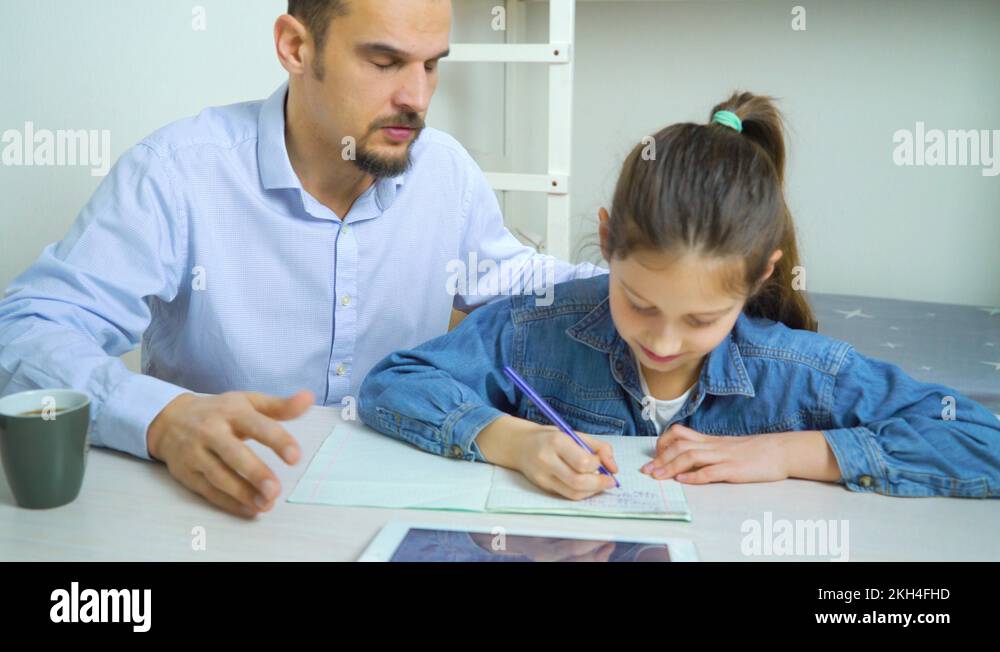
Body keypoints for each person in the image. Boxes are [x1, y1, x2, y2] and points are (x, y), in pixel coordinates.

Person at [0, 0, 602, 518]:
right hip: (212, 515)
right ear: (294, 46)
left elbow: (530, 284)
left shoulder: (446, 174)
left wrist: (670, 288)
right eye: (384, 61)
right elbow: (25, 334)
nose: (416, 98)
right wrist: (161, 419)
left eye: (431, 64)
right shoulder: (176, 174)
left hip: (402, 509)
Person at [359, 91, 1000, 500]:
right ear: (606, 242)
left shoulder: (798, 372)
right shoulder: (538, 327)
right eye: (638, 303)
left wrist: (789, 451)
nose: (663, 342)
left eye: (701, 319)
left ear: (759, 279)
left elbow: (982, 441)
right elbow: (394, 382)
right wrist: (511, 440)